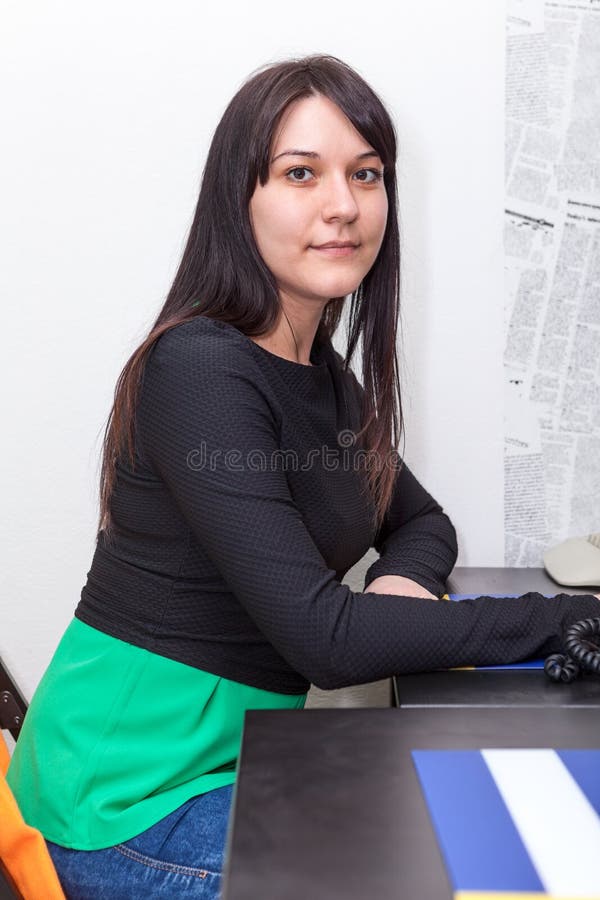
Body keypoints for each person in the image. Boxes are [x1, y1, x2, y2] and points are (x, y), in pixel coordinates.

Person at [7, 54, 599, 899]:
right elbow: (327, 643)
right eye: (300, 173)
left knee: (489, 847)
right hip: (123, 805)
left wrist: (397, 580)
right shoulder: (200, 370)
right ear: (237, 202)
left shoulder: (322, 375)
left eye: (366, 173)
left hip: (239, 766)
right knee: (452, 871)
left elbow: (422, 521)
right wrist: (565, 618)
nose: (344, 206)